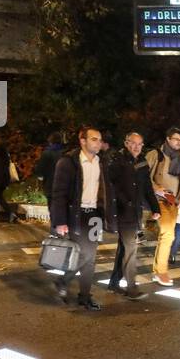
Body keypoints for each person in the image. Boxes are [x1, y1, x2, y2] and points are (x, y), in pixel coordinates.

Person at [50, 126, 118, 311]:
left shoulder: (102, 162)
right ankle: (64, 281)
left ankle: (84, 296)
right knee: (83, 254)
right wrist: (60, 221)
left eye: (100, 139)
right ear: (83, 141)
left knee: (91, 256)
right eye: (94, 139)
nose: (98, 143)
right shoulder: (69, 162)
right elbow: (59, 193)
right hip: (76, 215)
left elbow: (108, 190)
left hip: (94, 215)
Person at [108, 132, 160, 299]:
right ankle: (132, 289)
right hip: (122, 211)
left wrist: (155, 207)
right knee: (131, 248)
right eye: (133, 143)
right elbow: (111, 185)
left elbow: (148, 188)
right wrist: (124, 201)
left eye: (140, 144)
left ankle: (114, 282)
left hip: (135, 212)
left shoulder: (142, 162)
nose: (136, 147)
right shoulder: (117, 160)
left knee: (124, 248)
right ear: (126, 143)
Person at [145, 127, 180, 285]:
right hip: (159, 200)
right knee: (168, 235)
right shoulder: (156, 154)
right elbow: (143, 176)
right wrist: (157, 189)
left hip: (173, 201)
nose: (179, 143)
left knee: (167, 236)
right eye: (176, 139)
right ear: (168, 139)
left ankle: (158, 271)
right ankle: (161, 272)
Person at [34, 132, 64, 204]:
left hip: (50, 182)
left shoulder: (47, 153)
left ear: (50, 140)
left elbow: (41, 167)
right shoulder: (64, 153)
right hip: (62, 182)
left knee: (51, 204)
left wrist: (39, 175)